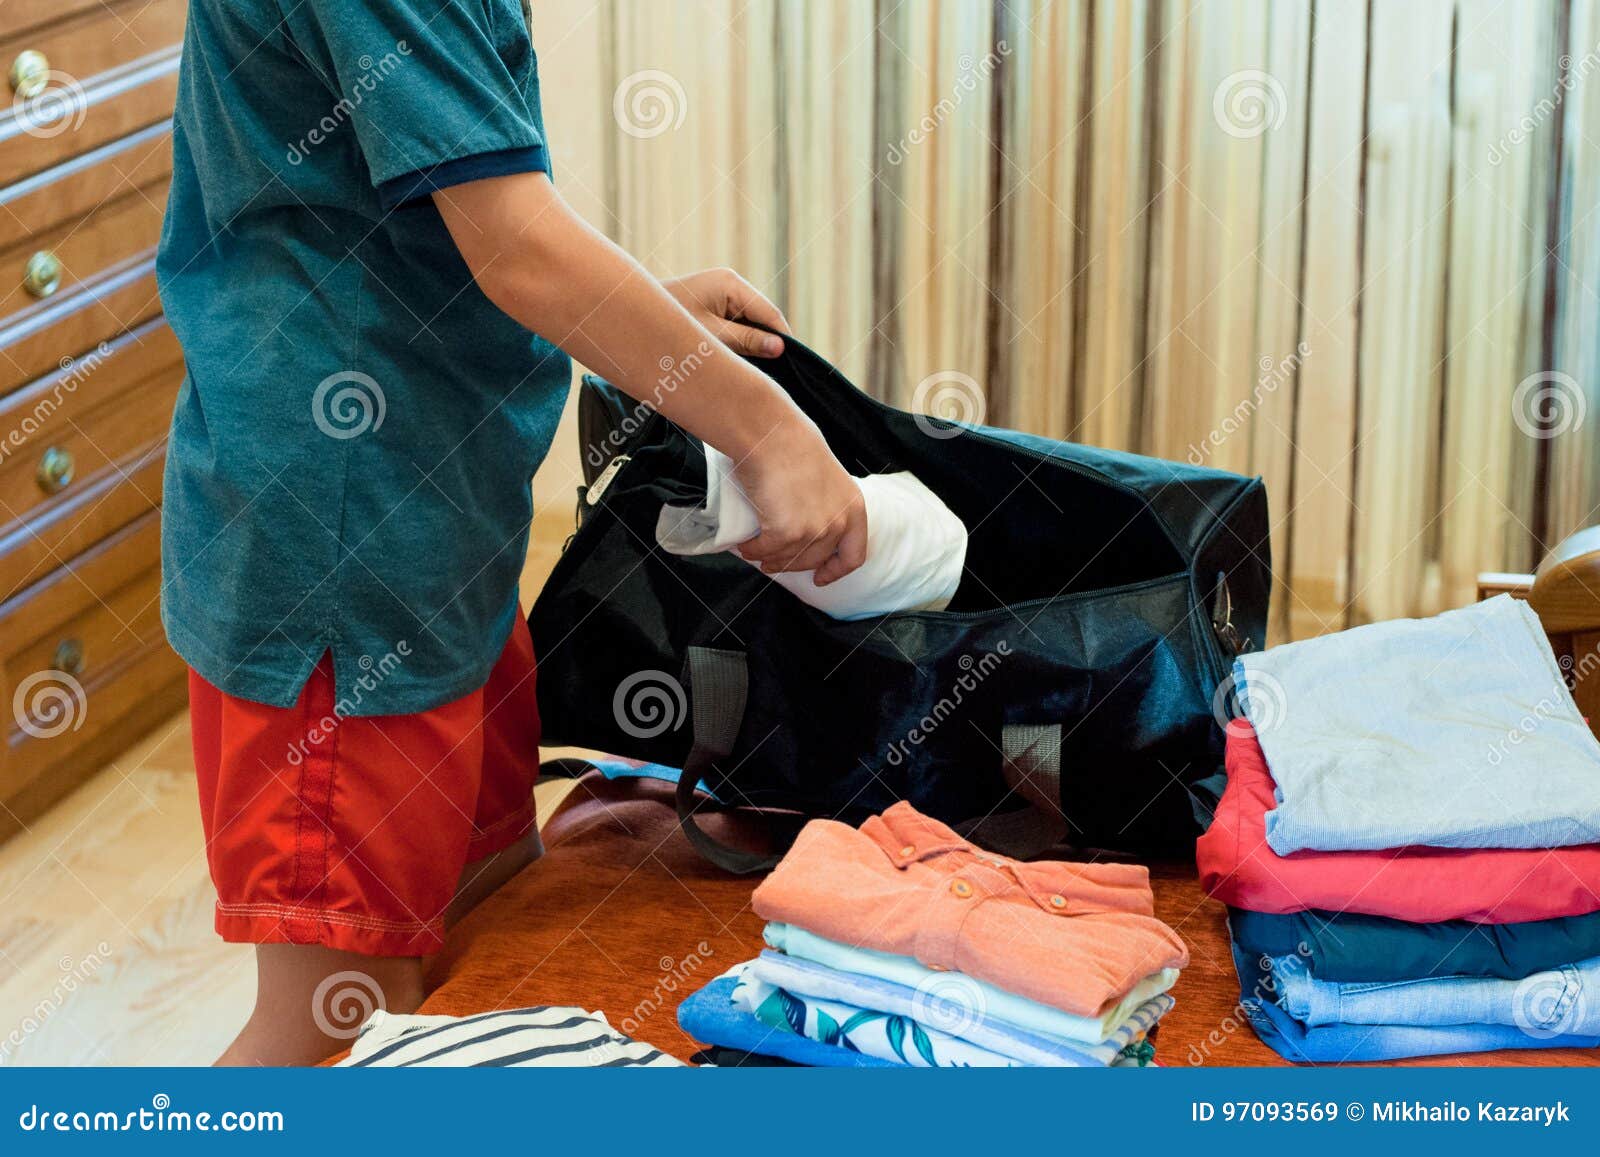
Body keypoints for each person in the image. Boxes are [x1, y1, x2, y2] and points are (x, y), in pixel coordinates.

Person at [157, 0, 866, 1066]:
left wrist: (653, 325)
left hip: (435, 532)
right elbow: (518, 249)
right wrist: (765, 429)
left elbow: (435, 215)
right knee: (339, 1009)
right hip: (350, 565)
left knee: (479, 932)